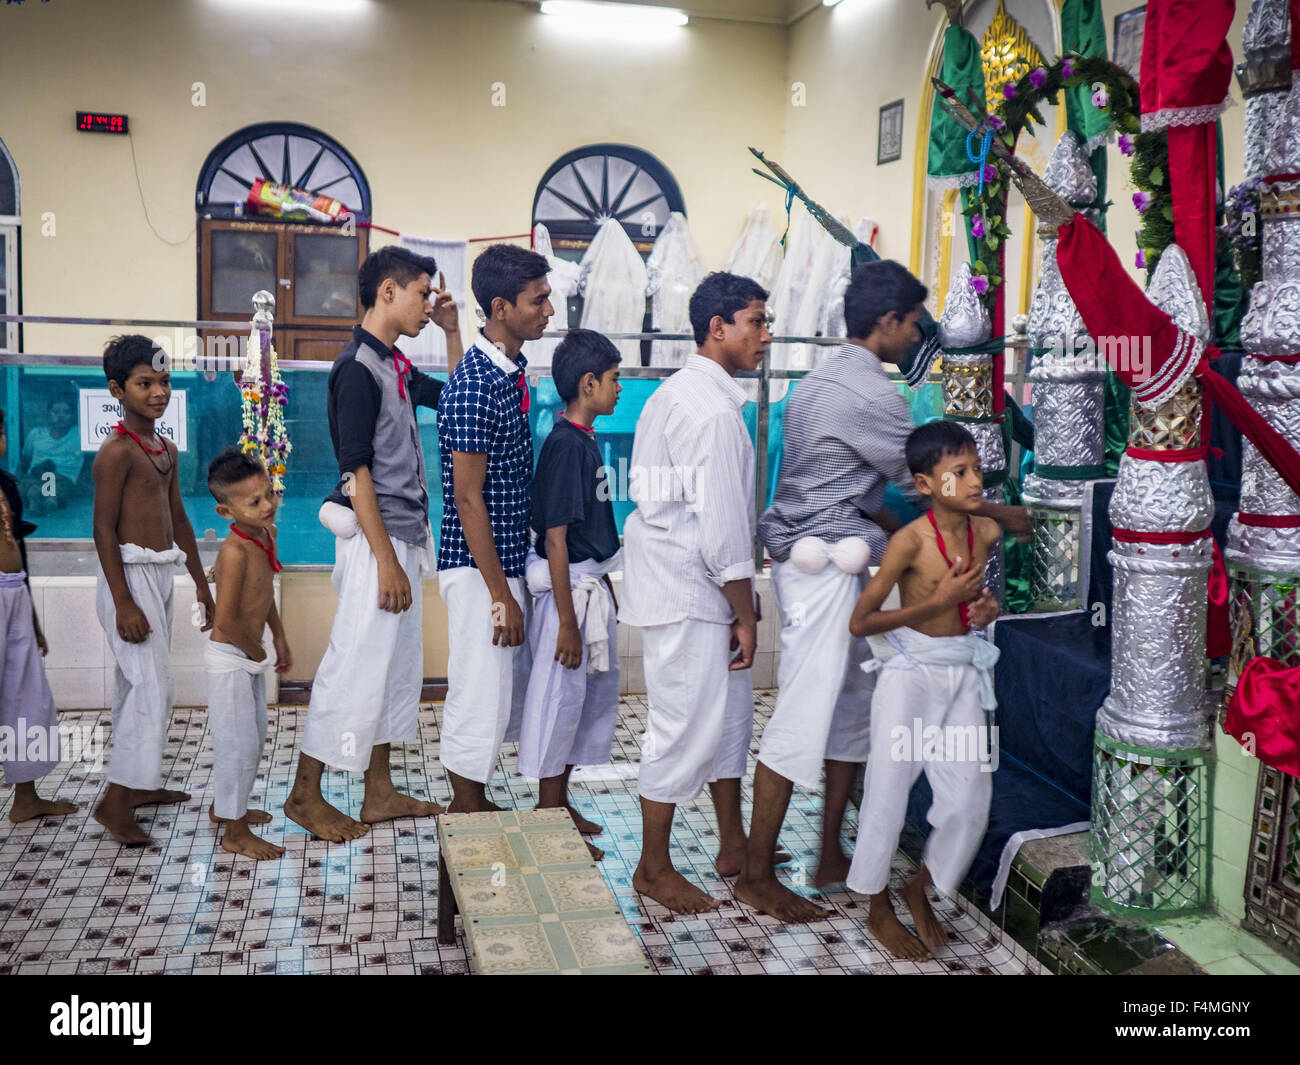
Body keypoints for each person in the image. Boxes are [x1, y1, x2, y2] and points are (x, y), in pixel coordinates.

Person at [738, 259, 1027, 923]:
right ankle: (756, 873)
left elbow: (879, 495)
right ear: (890, 322)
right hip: (825, 568)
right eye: (912, 325)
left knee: (851, 707)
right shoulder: (873, 393)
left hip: (832, 553)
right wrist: (1005, 515)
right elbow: (931, 477)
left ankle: (833, 852)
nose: (914, 339)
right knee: (802, 716)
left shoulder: (820, 378)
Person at [286, 246, 459, 843]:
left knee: (391, 671)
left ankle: (378, 792)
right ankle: (304, 794)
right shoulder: (357, 367)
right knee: (353, 666)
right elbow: (355, 472)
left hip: (403, 539)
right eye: (422, 292)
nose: (428, 304)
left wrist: (455, 330)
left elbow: (459, 397)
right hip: (374, 546)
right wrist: (386, 561)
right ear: (387, 291)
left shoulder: (397, 364)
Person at [619, 271, 769, 915]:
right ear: (719, 327)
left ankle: (732, 844)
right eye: (756, 321)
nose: (766, 333)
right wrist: (746, 611)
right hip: (691, 589)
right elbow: (725, 533)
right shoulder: (710, 414)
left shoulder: (675, 393)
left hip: (683, 582)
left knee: (726, 722)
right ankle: (652, 868)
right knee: (680, 728)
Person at [846, 419, 1002, 960]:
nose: (975, 480)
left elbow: (985, 602)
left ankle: (920, 888)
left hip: (961, 670)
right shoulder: (907, 542)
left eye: (977, 468)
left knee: (971, 798)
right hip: (910, 674)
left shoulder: (986, 531)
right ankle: (875, 905)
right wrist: (937, 605)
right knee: (888, 791)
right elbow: (861, 623)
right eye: (958, 472)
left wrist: (986, 609)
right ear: (926, 484)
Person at [437, 243, 552, 813]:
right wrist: (500, 595)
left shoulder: (505, 373)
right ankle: (466, 808)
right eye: (540, 300)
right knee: (477, 691)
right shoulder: (476, 384)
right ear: (502, 307)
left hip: (501, 563)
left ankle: (475, 801)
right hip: (476, 568)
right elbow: (465, 497)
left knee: (497, 693)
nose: (549, 311)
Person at [92, 335, 216, 845]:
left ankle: (137, 784)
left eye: (164, 382)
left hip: (159, 572)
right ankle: (114, 803)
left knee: (137, 686)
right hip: (127, 576)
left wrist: (202, 586)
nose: (158, 392)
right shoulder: (115, 452)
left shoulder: (165, 449)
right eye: (145, 384)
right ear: (118, 390)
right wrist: (123, 600)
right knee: (152, 687)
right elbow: (103, 529)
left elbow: (179, 520)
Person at [519, 329, 622, 859]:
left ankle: (560, 803)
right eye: (613, 379)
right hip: (569, 599)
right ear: (588, 384)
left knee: (581, 707)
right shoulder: (564, 447)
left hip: (585, 589)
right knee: (558, 704)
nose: (620, 388)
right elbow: (556, 539)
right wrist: (565, 620)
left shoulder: (585, 439)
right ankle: (546, 813)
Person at [204, 449, 292, 860]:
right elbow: (223, 621)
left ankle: (225, 810)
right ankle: (235, 831)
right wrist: (256, 648)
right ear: (226, 511)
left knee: (252, 739)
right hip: (230, 659)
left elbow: (264, 596)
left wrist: (279, 636)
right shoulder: (234, 552)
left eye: (268, 494)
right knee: (236, 744)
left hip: (249, 655)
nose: (267, 505)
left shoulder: (265, 535)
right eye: (254, 502)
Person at [0, 408, 79, 824]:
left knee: (26, 697)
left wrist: (30, 618)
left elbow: (20, 553)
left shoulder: (8, 485)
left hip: (13, 596)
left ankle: (26, 797)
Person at [20, 395, 83, 515]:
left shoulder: (79, 434)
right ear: (48, 414)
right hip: (35, 474)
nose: (61, 416)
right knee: (28, 484)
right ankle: (37, 496)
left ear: (73, 416)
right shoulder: (36, 434)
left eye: (66, 412)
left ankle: (46, 498)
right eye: (56, 412)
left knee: (60, 490)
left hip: (63, 477)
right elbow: (25, 459)